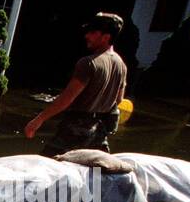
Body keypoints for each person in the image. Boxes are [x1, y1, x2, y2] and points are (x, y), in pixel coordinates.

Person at [24, 12, 128, 157]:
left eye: (93, 32)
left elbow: (67, 99)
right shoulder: (121, 65)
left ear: (106, 37)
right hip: (99, 133)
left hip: (74, 131)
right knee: (95, 175)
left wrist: (38, 120)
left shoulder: (88, 63)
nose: (87, 36)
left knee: (48, 168)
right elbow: (119, 100)